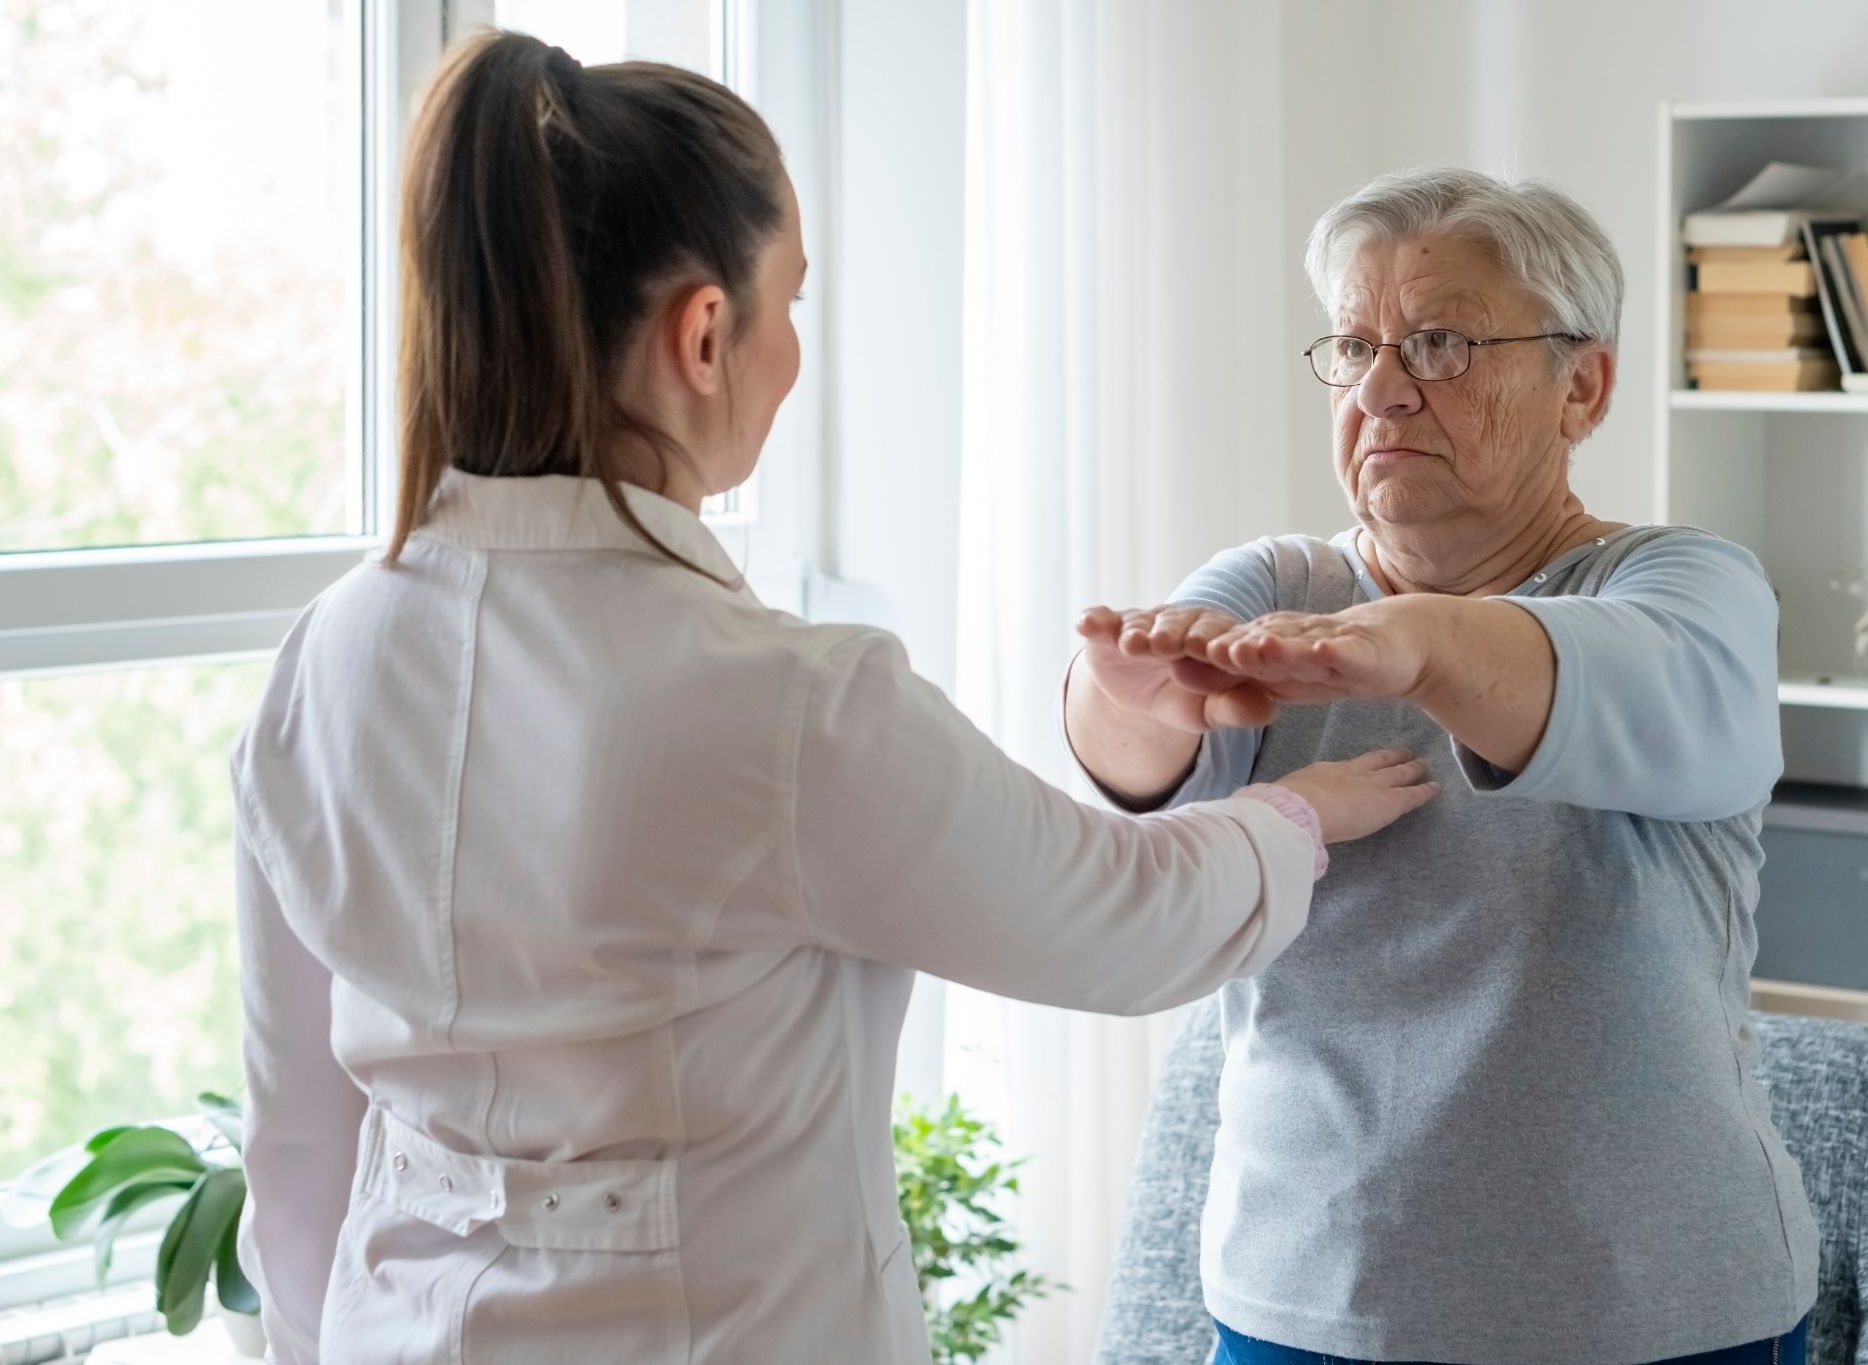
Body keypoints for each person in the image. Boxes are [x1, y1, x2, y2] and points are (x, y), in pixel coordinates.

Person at [229, 33, 1436, 1365]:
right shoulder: (780, 702)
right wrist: (1298, 816)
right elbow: (1125, 920)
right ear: (703, 332)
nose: (793, 353)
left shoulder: (322, 657)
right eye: (788, 304)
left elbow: (295, 1135)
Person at [1065, 168, 1816, 1365]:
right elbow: (1135, 756)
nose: (1377, 389)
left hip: (1654, 1309)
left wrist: (1409, 642)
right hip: (1306, 1295)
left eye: (1439, 343)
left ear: (1584, 385)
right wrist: (1123, 697)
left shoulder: (1683, 586)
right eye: (1355, 345)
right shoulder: (1277, 589)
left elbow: (1622, 681)